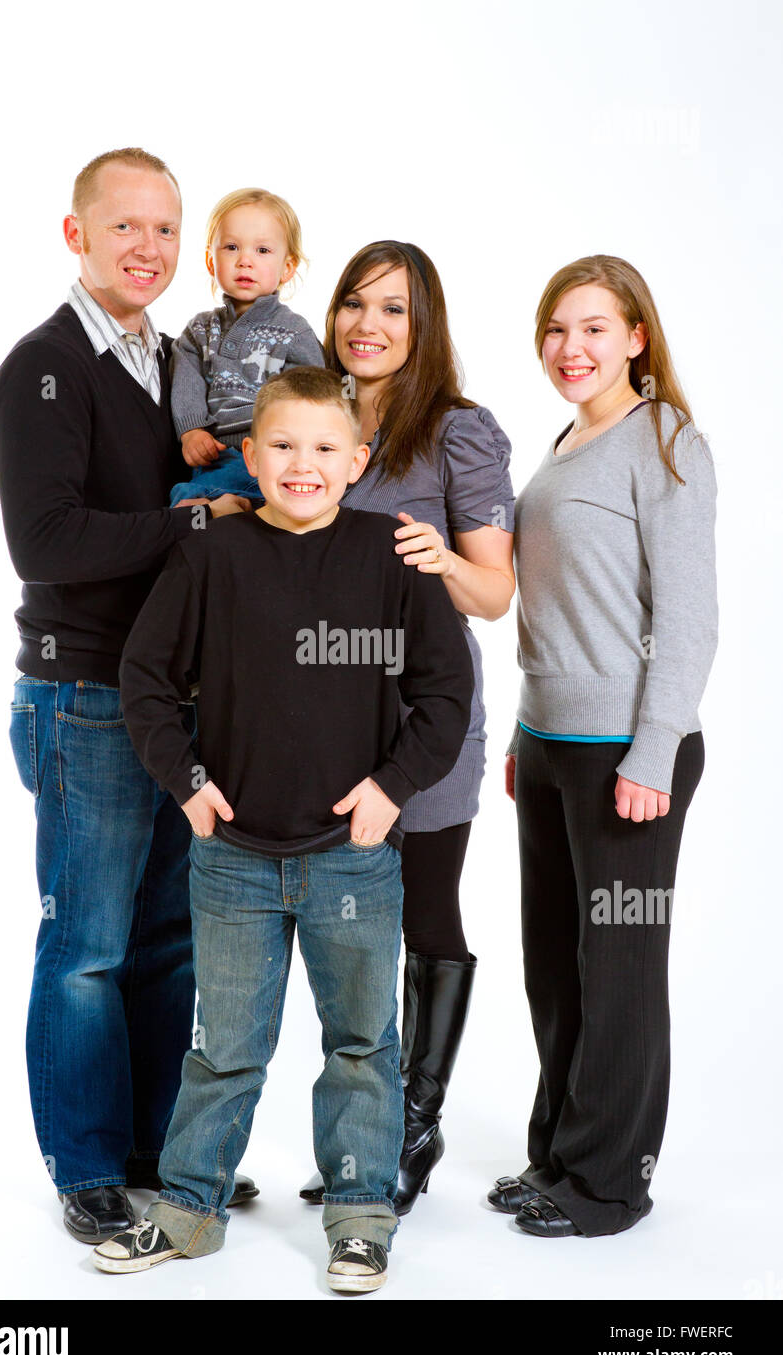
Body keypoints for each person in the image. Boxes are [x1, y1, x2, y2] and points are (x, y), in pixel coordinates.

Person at [94, 367, 474, 1293]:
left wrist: (393, 786)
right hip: (232, 858)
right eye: (283, 446)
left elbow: (444, 693)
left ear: (357, 461)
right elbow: (143, 680)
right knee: (223, 1047)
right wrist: (186, 784)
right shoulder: (210, 557)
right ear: (252, 455)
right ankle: (187, 1210)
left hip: (351, 855)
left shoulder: (395, 554)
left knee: (360, 1045)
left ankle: (358, 1217)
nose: (302, 464)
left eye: (322, 448)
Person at [0, 147, 256, 1247]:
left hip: (168, 698)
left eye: (164, 229)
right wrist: (195, 522)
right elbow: (43, 539)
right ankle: (89, 1169)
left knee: (167, 942)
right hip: (82, 698)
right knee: (88, 944)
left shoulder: (170, 363)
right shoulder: (44, 367)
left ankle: (155, 1152)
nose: (146, 249)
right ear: (77, 236)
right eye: (123, 228)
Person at [488, 254, 718, 1237]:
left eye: (591, 328)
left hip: (624, 748)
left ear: (634, 337)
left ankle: (607, 1185)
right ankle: (557, 1155)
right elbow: (552, 606)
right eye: (554, 330)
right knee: (554, 962)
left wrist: (651, 746)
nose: (568, 348)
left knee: (617, 968)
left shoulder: (662, 438)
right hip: (547, 742)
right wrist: (518, 733)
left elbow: (690, 614)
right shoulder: (563, 441)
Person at [299, 242, 515, 1213]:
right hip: (326, 710)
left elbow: (494, 591)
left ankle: (411, 1131)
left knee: (424, 915)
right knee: (347, 930)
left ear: (421, 324)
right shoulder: (318, 416)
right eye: (353, 304)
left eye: (391, 308)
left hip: (424, 716)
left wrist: (436, 557)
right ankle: (362, 1130)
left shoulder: (457, 432)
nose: (367, 325)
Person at [168, 187, 324, 506]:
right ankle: (232, 510)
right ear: (212, 261)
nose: (245, 261)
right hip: (218, 455)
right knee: (192, 491)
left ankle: (236, 508)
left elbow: (312, 396)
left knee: (190, 499)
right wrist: (191, 432)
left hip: (273, 457)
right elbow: (186, 386)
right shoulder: (199, 331)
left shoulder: (293, 331)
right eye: (231, 247)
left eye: (263, 250)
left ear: (287, 267)